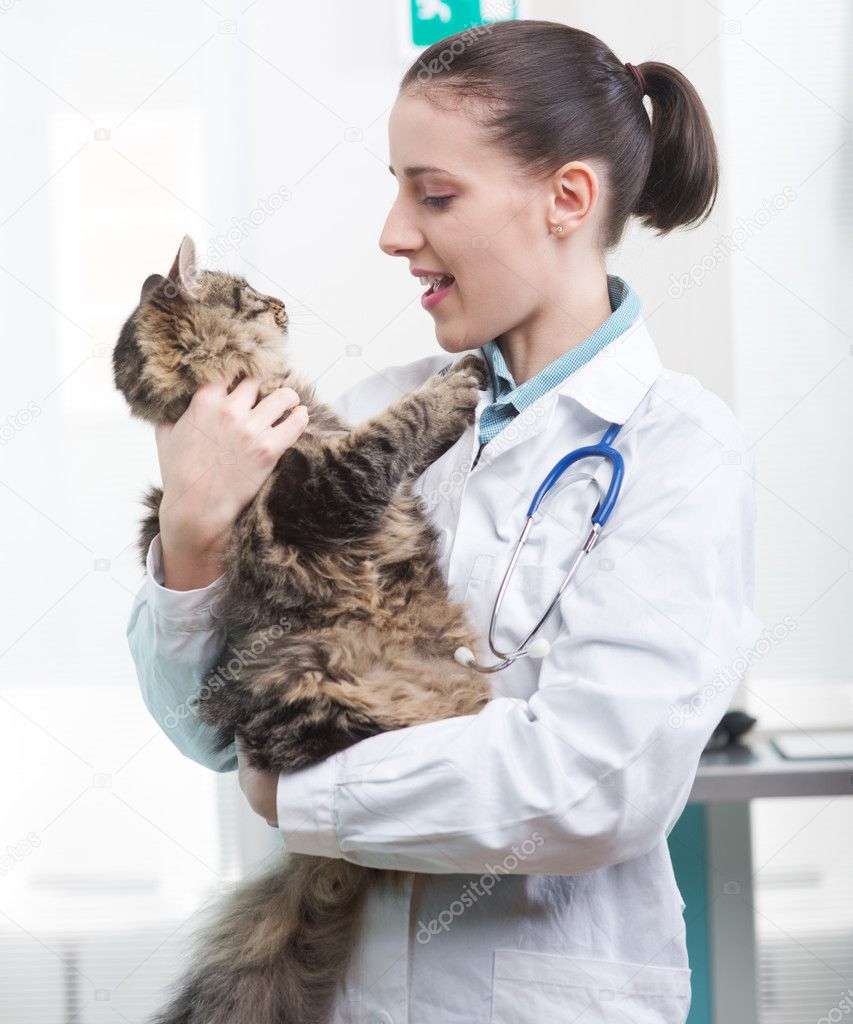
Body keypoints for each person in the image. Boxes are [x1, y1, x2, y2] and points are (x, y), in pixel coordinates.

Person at [125, 19, 763, 1024]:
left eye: (433, 194)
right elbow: (211, 728)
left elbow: (590, 780)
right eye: (394, 187)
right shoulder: (384, 405)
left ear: (566, 199)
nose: (391, 232)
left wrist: (300, 796)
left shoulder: (676, 449)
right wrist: (196, 537)